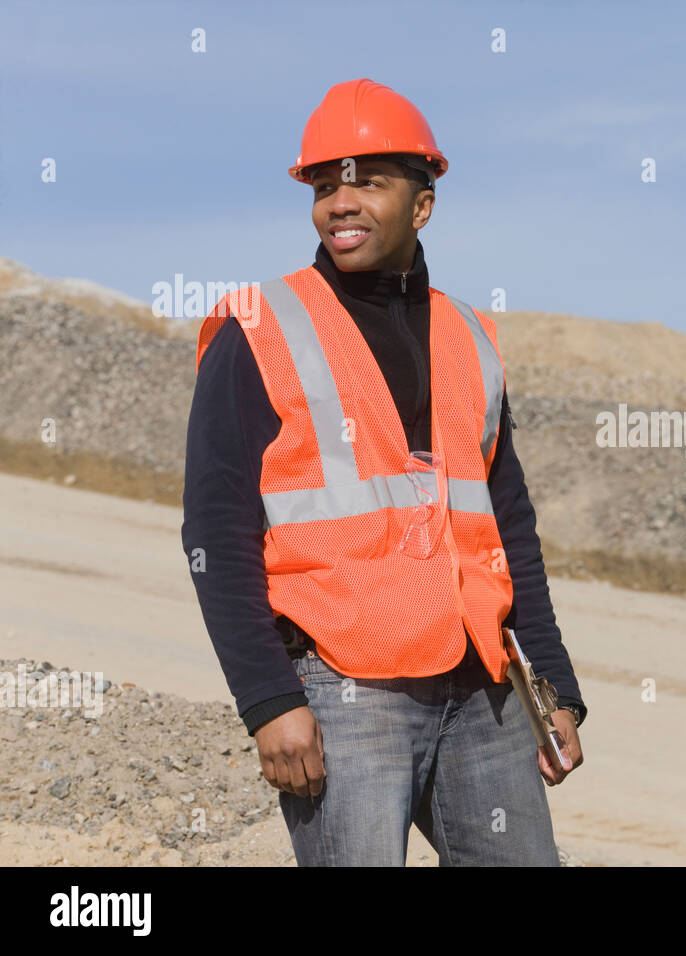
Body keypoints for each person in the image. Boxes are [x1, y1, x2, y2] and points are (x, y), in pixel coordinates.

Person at [182, 78, 585, 866]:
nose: (342, 202)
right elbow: (215, 530)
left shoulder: (470, 336)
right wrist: (269, 701)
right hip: (341, 689)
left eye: (369, 181)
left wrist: (555, 683)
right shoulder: (260, 327)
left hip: (483, 689)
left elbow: (508, 525)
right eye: (326, 185)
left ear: (422, 203)